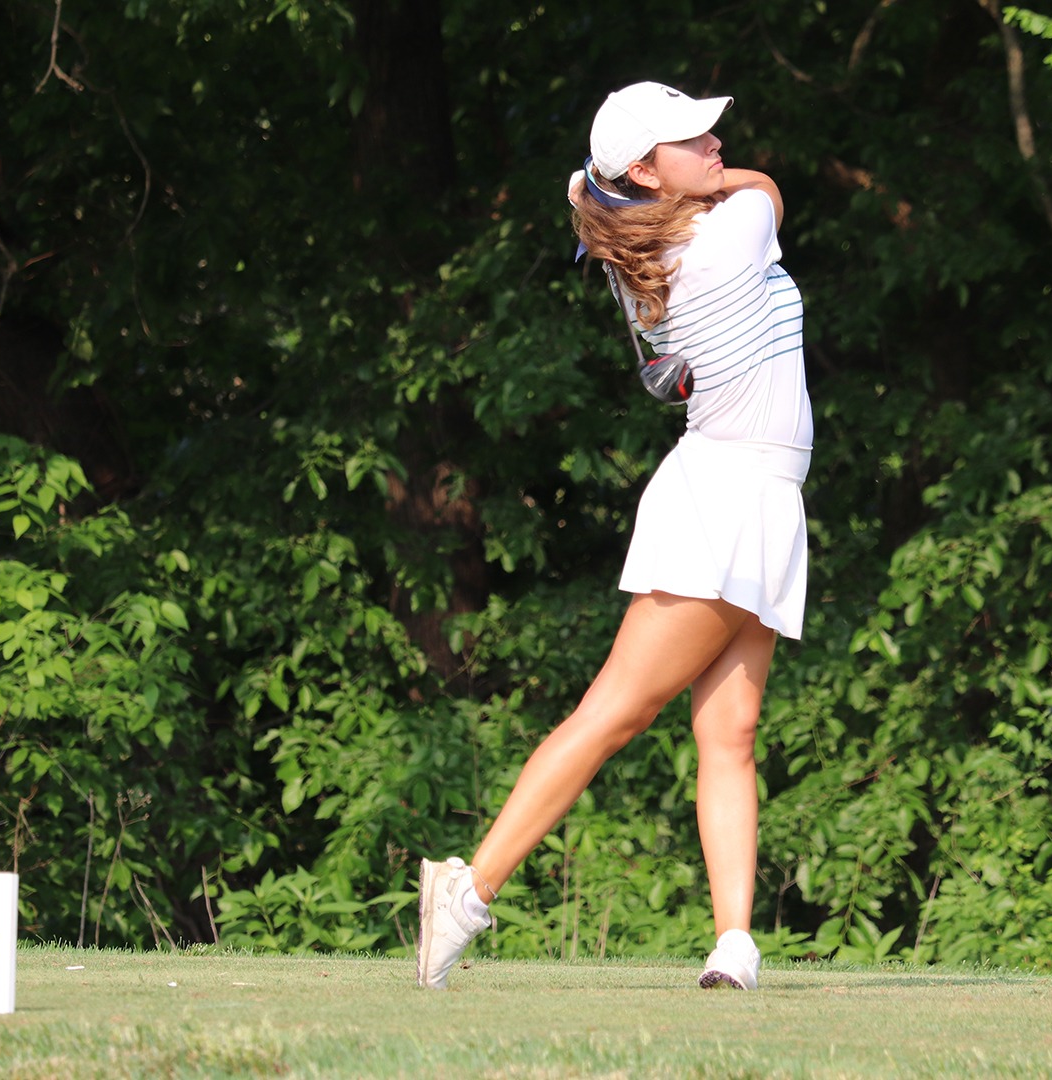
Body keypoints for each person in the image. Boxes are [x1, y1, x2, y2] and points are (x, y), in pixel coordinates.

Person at [416, 80, 810, 992]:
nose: (716, 142)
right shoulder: (723, 232)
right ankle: (468, 890)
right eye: (690, 137)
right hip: (726, 492)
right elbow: (769, 188)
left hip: (754, 492)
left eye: (710, 132)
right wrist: (694, 187)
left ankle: (735, 946)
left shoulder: (657, 238)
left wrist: (643, 183)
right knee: (615, 713)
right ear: (642, 168)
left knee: (732, 731)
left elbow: (614, 189)